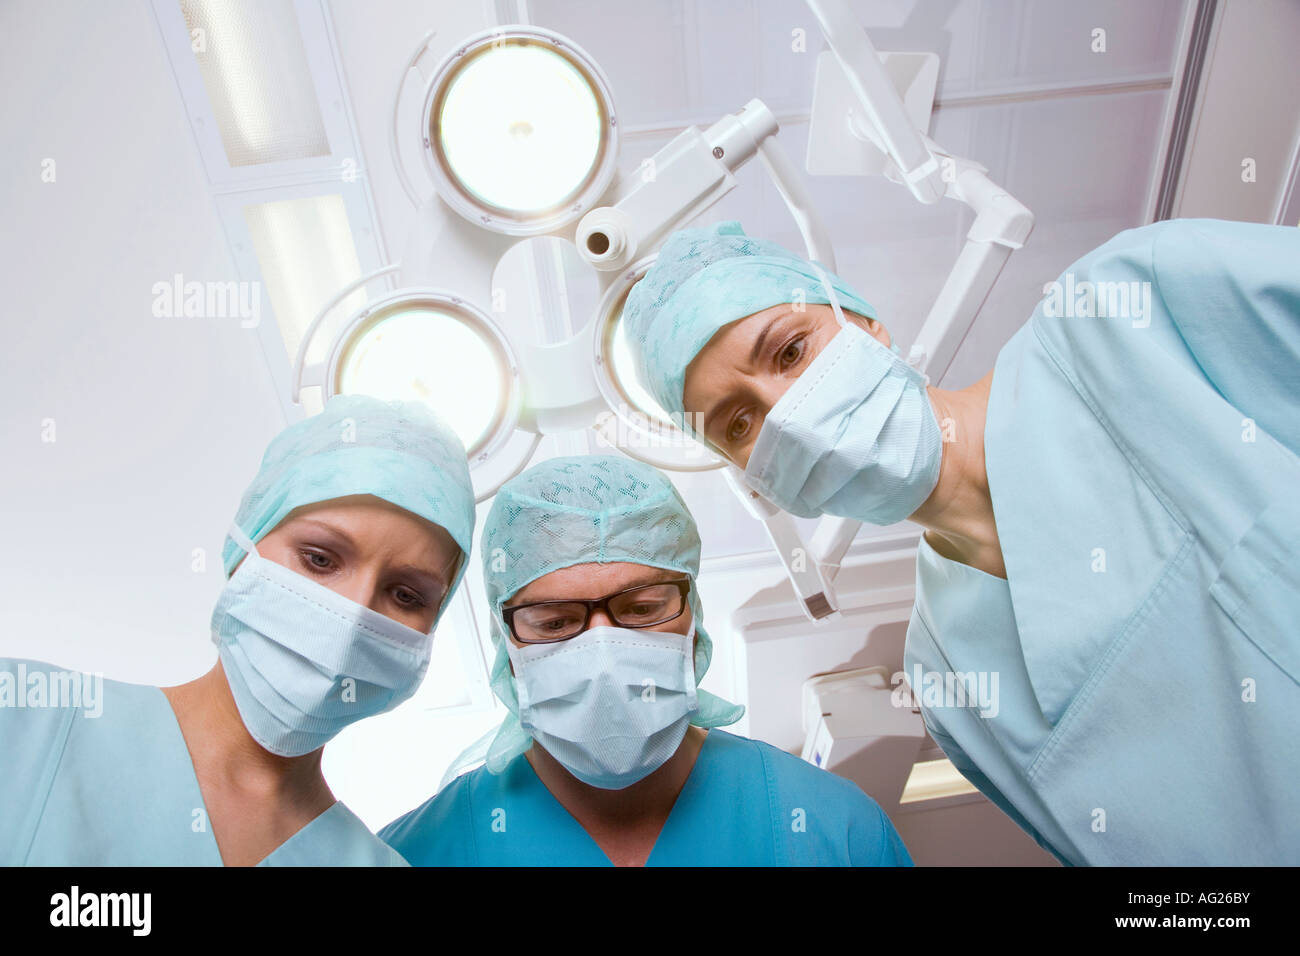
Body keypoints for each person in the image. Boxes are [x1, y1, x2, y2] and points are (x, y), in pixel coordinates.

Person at [620, 218, 1300, 865]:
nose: (788, 417)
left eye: (791, 351)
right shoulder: (948, 681)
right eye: (740, 424)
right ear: (756, 483)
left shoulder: (1127, 311)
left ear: (863, 322)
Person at [0, 394, 476, 866]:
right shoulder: (23, 720)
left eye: (406, 595)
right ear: (241, 548)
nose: (351, 621)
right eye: (319, 559)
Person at [381, 454, 912, 866]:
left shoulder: (833, 827)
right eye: (555, 621)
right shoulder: (414, 854)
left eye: (640, 608)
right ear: (508, 643)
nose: (603, 653)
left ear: (692, 614)